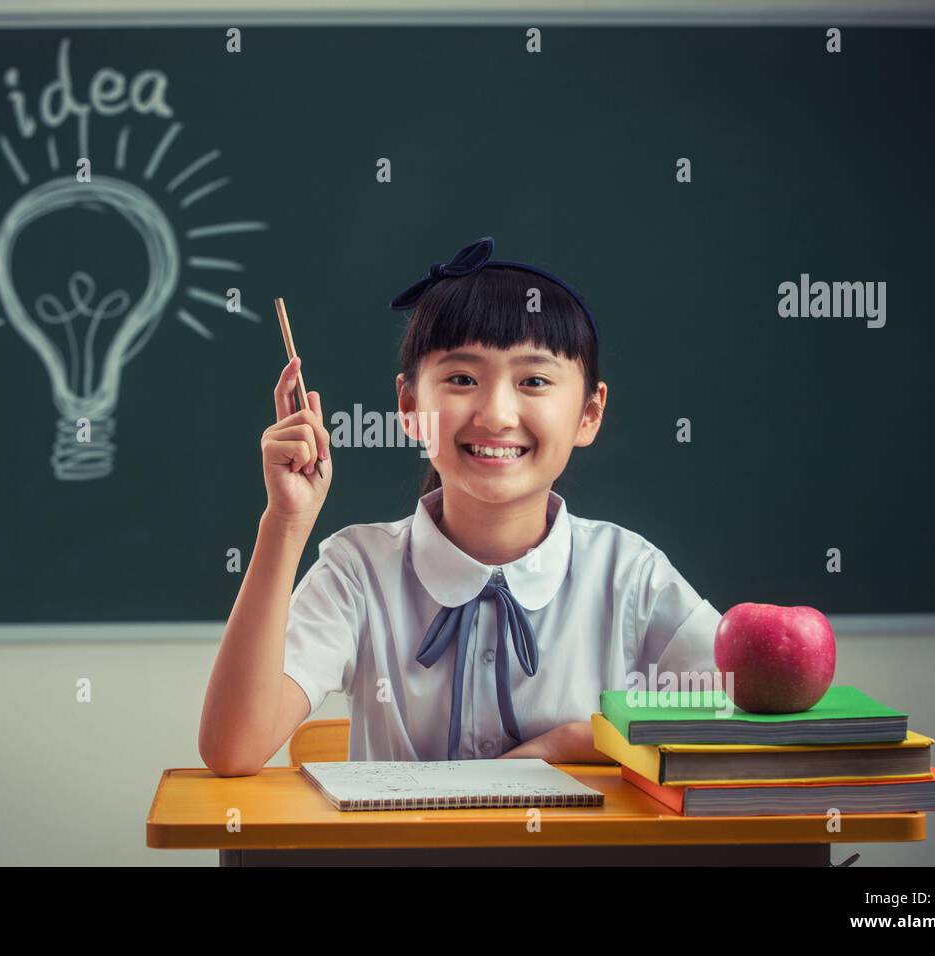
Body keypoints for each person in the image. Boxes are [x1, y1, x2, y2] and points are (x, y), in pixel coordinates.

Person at [199, 236, 721, 775]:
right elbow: (232, 749)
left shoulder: (629, 574)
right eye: (462, 379)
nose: (496, 415)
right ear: (408, 406)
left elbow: (747, 713)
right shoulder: (358, 571)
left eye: (534, 381)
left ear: (589, 413)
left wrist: (576, 741)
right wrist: (285, 523)